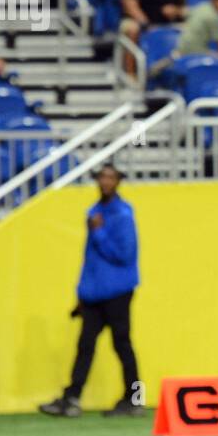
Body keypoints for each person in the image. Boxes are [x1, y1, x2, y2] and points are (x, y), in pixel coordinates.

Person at [39, 164, 142, 418]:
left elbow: (125, 255)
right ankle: (71, 398)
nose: (105, 182)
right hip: (94, 293)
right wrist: (81, 294)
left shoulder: (122, 214)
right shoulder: (96, 211)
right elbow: (90, 259)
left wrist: (99, 232)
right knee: (85, 345)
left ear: (118, 181)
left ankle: (135, 399)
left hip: (117, 291)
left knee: (122, 345)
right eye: (102, 177)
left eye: (110, 177)